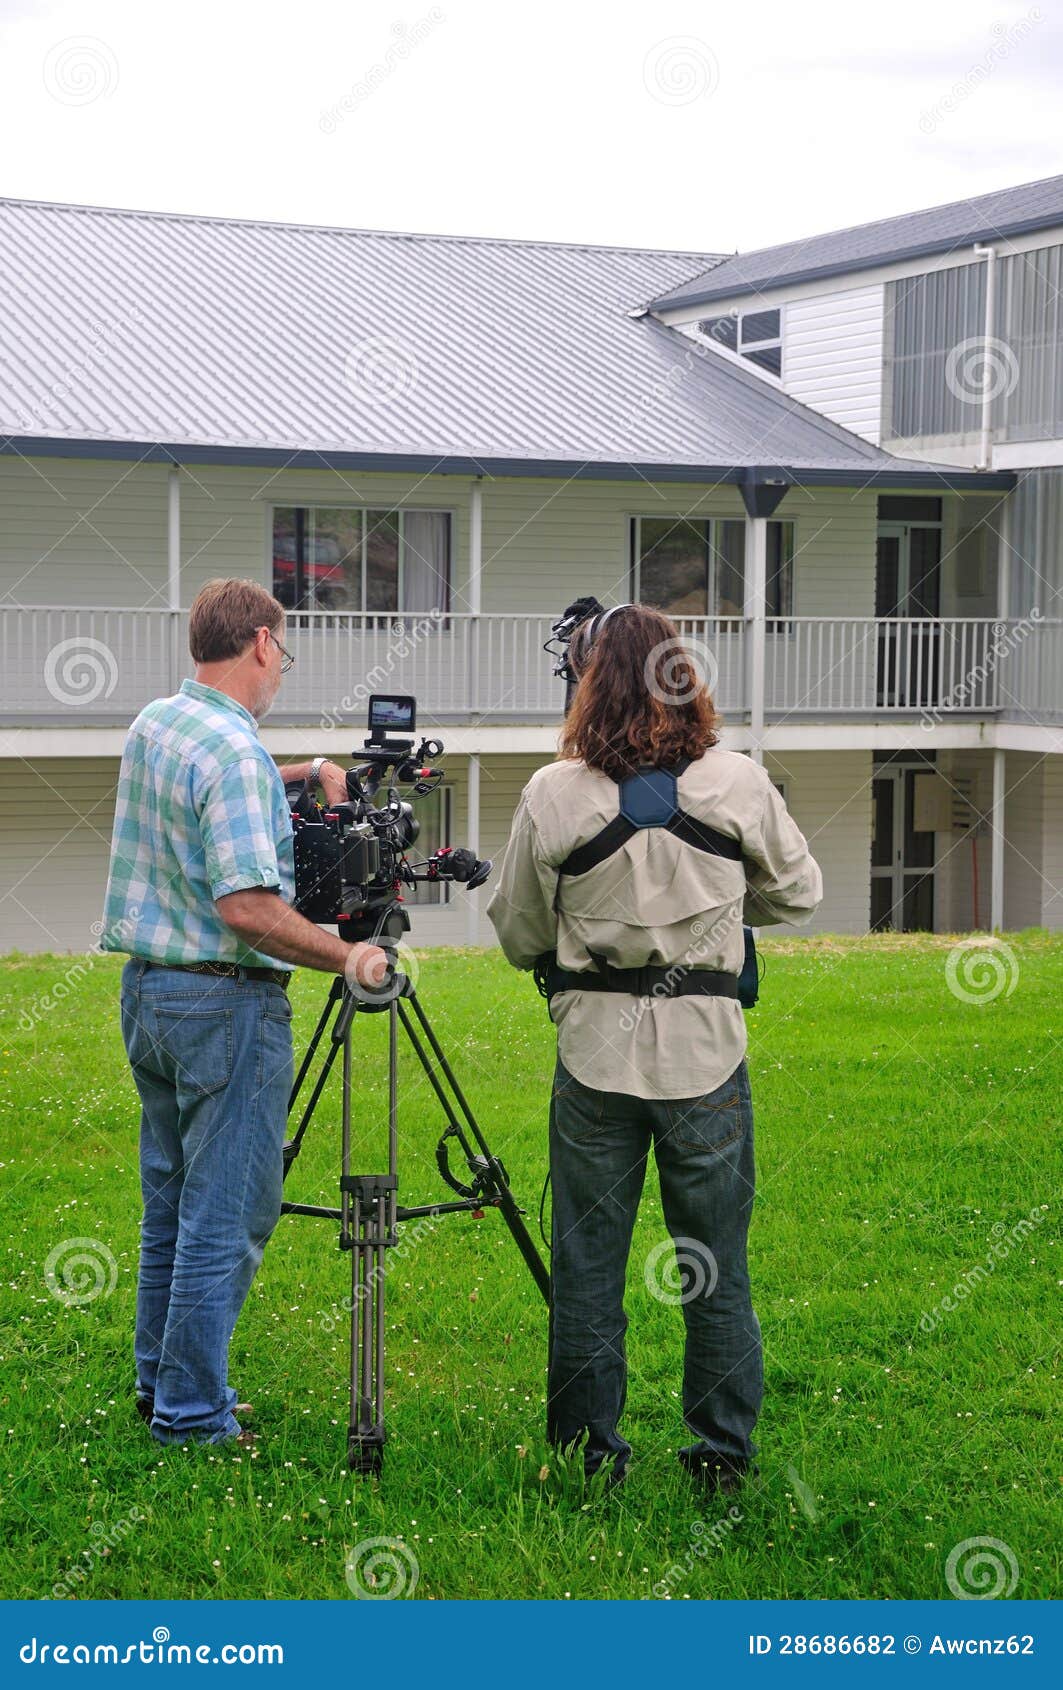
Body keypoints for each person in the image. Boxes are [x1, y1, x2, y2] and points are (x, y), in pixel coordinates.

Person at [486, 603, 822, 1492]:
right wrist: (714, 903)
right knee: (715, 1261)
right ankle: (720, 1456)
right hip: (706, 1048)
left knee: (588, 1259)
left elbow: (518, 931)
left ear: (588, 680)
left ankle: (588, 1453)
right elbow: (797, 895)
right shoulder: (738, 782)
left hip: (595, 1048)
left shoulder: (553, 792)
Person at [101, 577, 388, 1448]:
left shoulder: (161, 721)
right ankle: (192, 1418)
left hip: (149, 995)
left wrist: (312, 771)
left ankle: (164, 1386)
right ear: (261, 643)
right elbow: (247, 909)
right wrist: (350, 956)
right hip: (223, 1004)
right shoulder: (231, 756)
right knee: (227, 1212)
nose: (281, 671)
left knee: (174, 1203)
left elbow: (222, 768)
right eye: (284, 653)